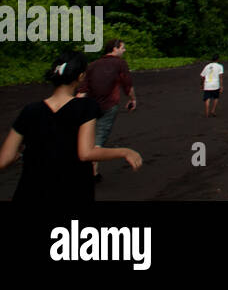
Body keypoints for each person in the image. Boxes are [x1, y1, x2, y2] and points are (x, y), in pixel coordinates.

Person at [0, 50, 142, 202]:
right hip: (72, 189)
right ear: (81, 77)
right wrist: (124, 152)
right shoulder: (86, 107)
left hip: (30, 191)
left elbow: (4, 160)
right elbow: (86, 153)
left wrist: (22, 154)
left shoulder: (30, 110)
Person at [80, 38, 135, 181]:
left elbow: (82, 90)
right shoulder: (120, 64)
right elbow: (127, 85)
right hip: (109, 105)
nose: (124, 50)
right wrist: (132, 99)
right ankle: (93, 172)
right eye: (122, 48)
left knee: (87, 135)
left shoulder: (93, 65)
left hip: (90, 105)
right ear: (115, 48)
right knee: (100, 137)